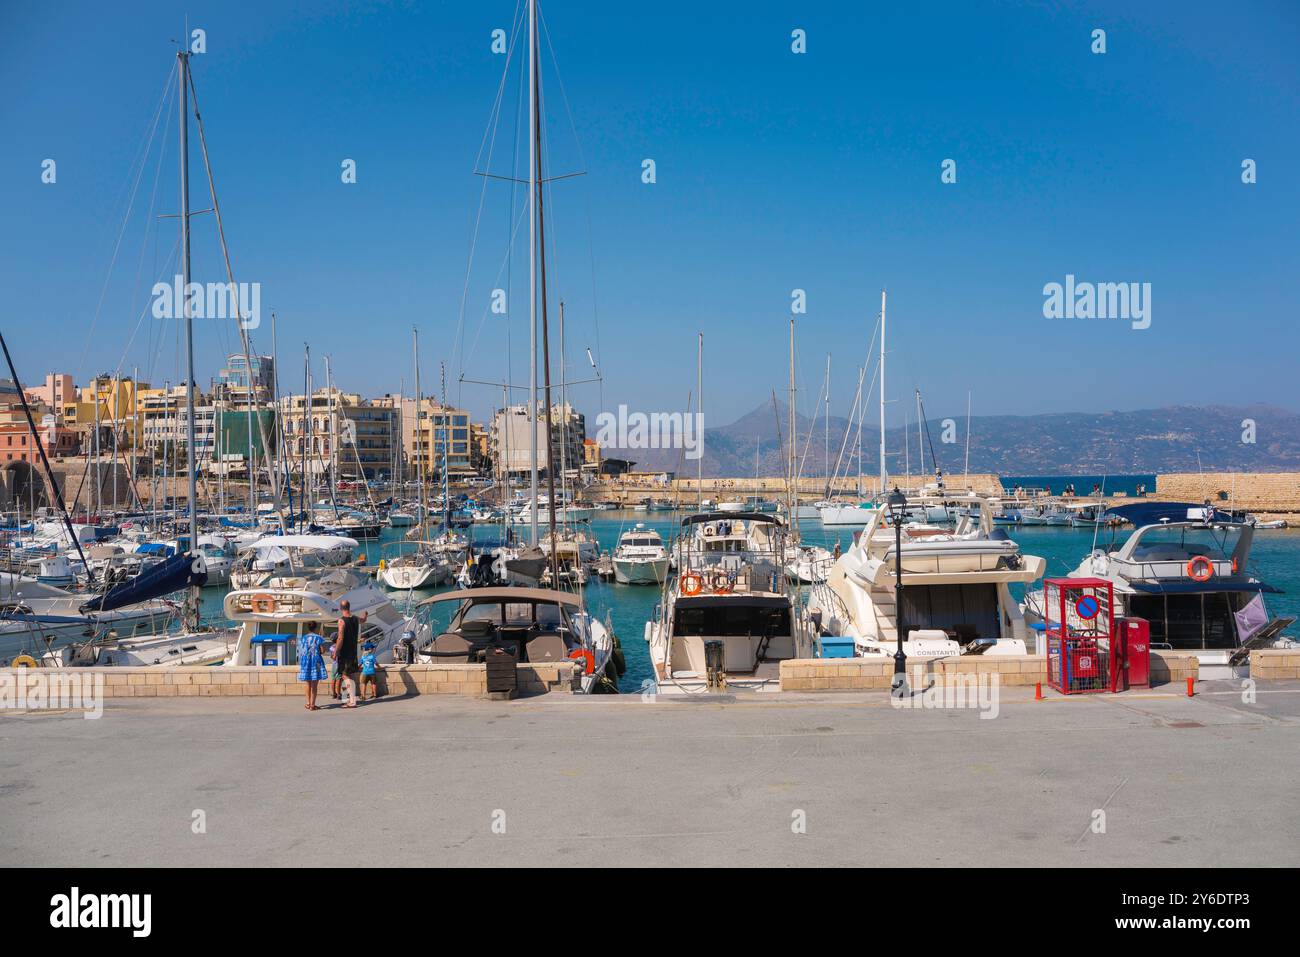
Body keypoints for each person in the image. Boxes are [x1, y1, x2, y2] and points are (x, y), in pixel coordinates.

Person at [333, 599, 367, 709]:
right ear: (349, 607)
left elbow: (340, 638)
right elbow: (363, 620)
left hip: (345, 653)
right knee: (349, 676)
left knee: (345, 675)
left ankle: (352, 701)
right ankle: (348, 699)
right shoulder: (355, 619)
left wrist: (335, 651)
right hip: (353, 652)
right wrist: (365, 614)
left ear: (341, 608)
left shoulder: (341, 621)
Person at [297, 621, 328, 711]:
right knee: (314, 684)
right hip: (316, 662)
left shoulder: (303, 638)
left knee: (307, 683)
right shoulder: (319, 638)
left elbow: (301, 651)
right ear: (316, 628)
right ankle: (312, 705)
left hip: (305, 662)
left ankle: (308, 703)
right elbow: (322, 651)